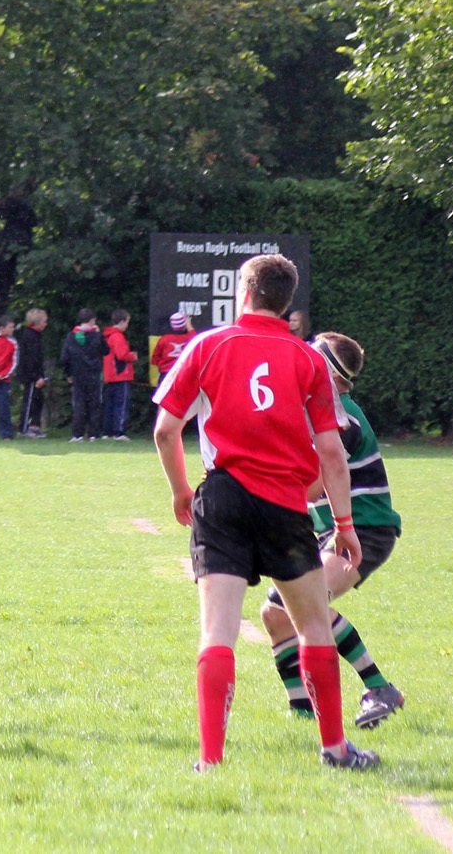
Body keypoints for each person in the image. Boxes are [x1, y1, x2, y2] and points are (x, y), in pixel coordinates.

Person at [151, 253, 378, 771]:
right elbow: (331, 453)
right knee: (314, 627)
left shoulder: (208, 345)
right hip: (286, 504)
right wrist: (344, 526)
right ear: (287, 301)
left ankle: (210, 761)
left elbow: (165, 430)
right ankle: (336, 749)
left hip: (223, 499)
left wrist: (181, 491)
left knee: (217, 630)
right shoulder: (308, 360)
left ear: (243, 292)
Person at [258, 332, 405, 730]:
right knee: (274, 613)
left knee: (309, 607)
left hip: (365, 532)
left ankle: (379, 688)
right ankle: (303, 714)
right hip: (332, 533)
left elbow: (314, 484)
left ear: (322, 367)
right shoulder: (319, 410)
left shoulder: (342, 418)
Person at [59, 309, 105, 443]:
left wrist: (68, 373)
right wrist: (98, 334)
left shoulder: (71, 336)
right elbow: (105, 350)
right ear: (92, 320)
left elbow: (64, 358)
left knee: (79, 404)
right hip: (94, 374)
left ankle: (77, 434)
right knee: (94, 404)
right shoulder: (96, 335)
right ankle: (93, 434)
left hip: (77, 375)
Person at [102, 308, 137, 440]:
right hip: (120, 375)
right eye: (127, 322)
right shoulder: (117, 336)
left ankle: (107, 432)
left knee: (109, 404)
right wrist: (132, 356)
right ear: (122, 321)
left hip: (110, 375)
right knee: (121, 404)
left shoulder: (108, 335)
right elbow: (121, 355)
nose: (127, 325)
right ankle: (119, 432)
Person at [14, 308, 48, 437]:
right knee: (29, 401)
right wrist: (37, 377)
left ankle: (34, 425)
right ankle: (23, 428)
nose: (46, 324)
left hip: (36, 374)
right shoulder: (30, 336)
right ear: (37, 323)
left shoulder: (36, 336)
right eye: (44, 321)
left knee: (38, 399)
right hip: (30, 375)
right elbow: (31, 359)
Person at [150, 312, 197, 384]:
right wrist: (188, 323)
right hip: (183, 373)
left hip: (166, 374)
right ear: (184, 326)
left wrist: (162, 365)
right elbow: (194, 335)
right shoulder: (189, 338)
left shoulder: (164, 339)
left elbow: (154, 359)